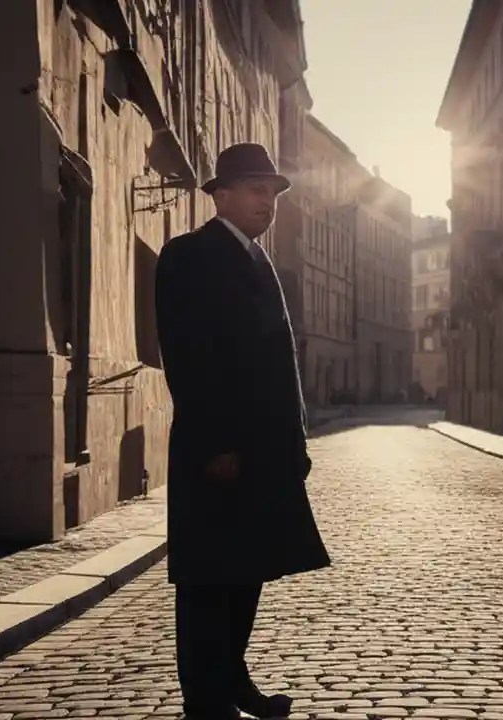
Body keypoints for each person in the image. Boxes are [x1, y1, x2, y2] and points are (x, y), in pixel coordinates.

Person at [155, 142, 332, 720]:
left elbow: (281, 362)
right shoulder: (189, 255)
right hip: (221, 453)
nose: (267, 202)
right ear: (221, 195)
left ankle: (233, 681)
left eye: (273, 193)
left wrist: (296, 442)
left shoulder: (261, 264)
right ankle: (205, 701)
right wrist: (215, 446)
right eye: (256, 190)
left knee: (247, 571)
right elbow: (189, 357)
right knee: (209, 579)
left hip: (265, 452)